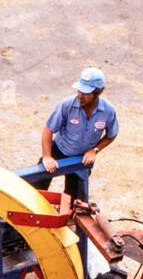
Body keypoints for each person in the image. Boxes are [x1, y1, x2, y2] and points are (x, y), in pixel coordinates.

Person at [32, 67, 118, 203]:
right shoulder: (67, 105)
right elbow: (48, 129)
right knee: (36, 187)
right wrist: (47, 156)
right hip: (59, 150)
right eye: (79, 90)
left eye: (86, 93)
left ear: (98, 93)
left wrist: (94, 150)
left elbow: (111, 135)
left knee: (74, 200)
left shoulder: (108, 111)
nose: (80, 95)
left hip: (81, 159)